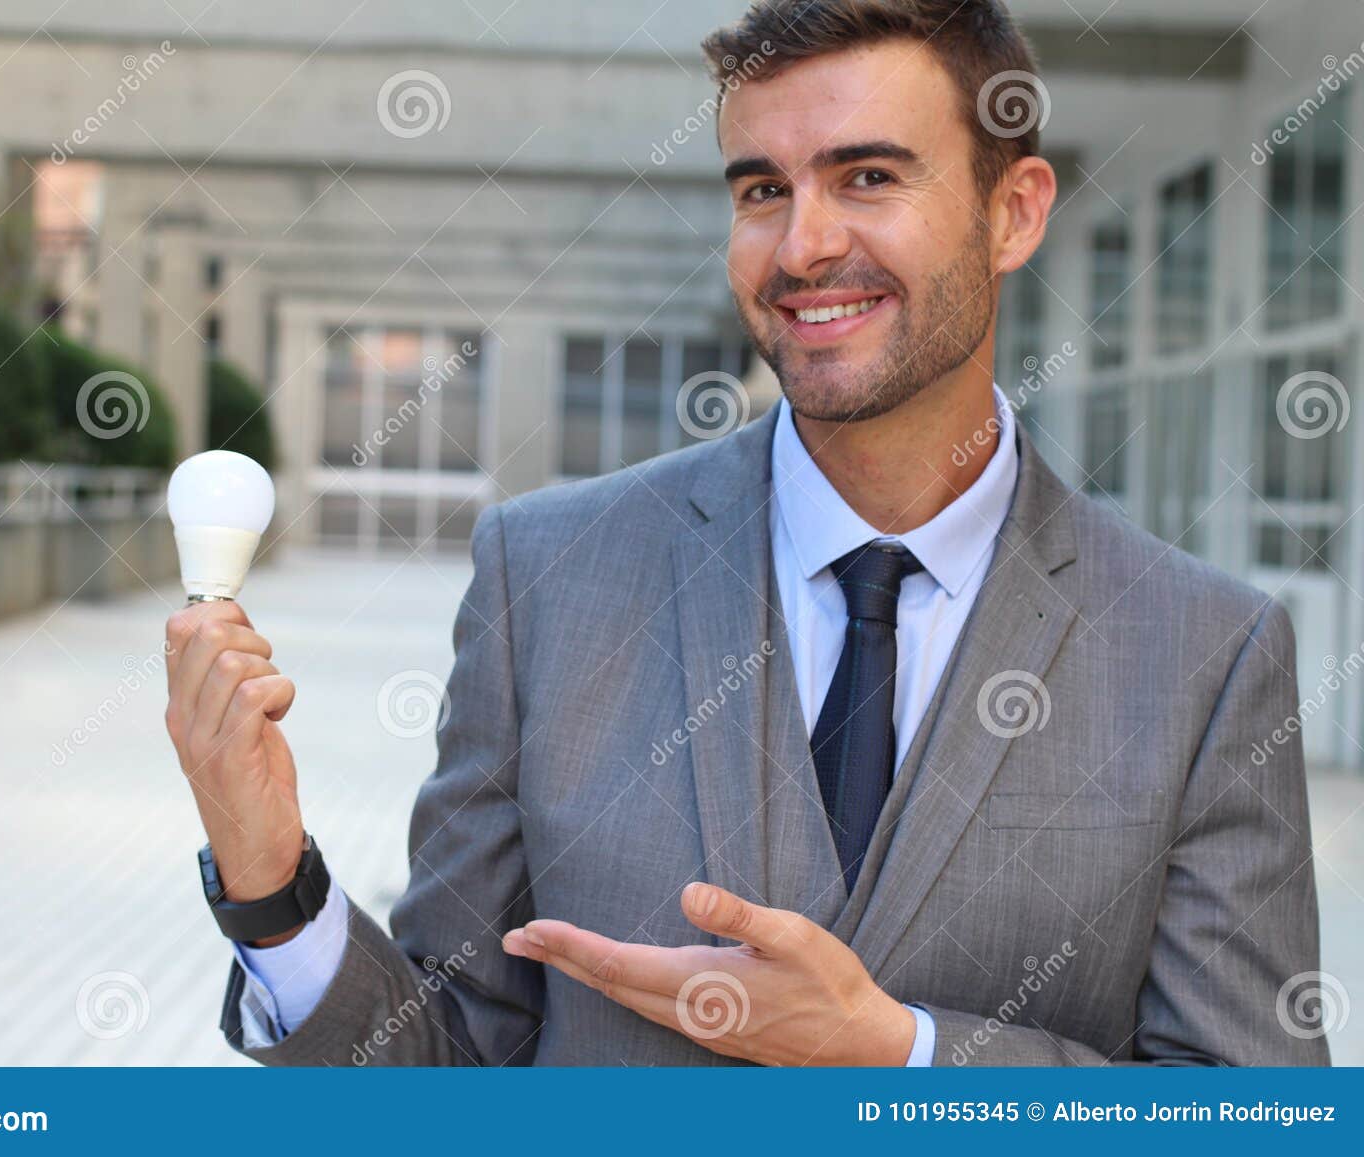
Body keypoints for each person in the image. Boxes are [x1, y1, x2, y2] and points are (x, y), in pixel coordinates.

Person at [164, 0, 1328, 1066]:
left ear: (1012, 211)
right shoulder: (549, 578)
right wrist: (274, 879)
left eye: (866, 175)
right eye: (761, 189)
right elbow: (442, 1067)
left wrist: (902, 1048)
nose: (802, 246)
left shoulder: (1202, 654)